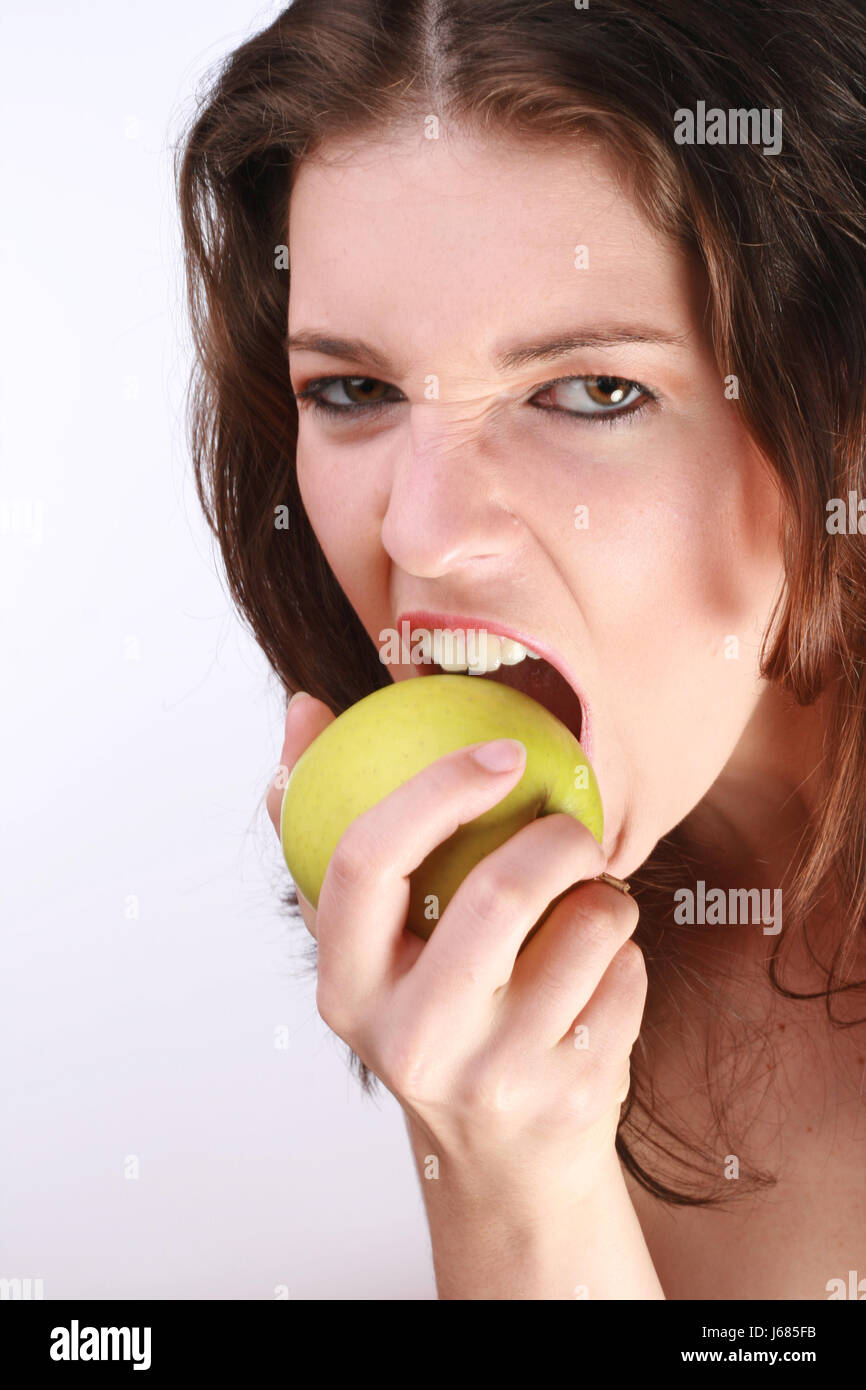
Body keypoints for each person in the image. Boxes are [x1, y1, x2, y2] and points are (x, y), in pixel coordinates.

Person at [176, 0, 866, 1299]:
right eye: (354, 391)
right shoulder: (503, 993)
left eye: (591, 390)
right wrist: (513, 1188)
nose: (423, 535)